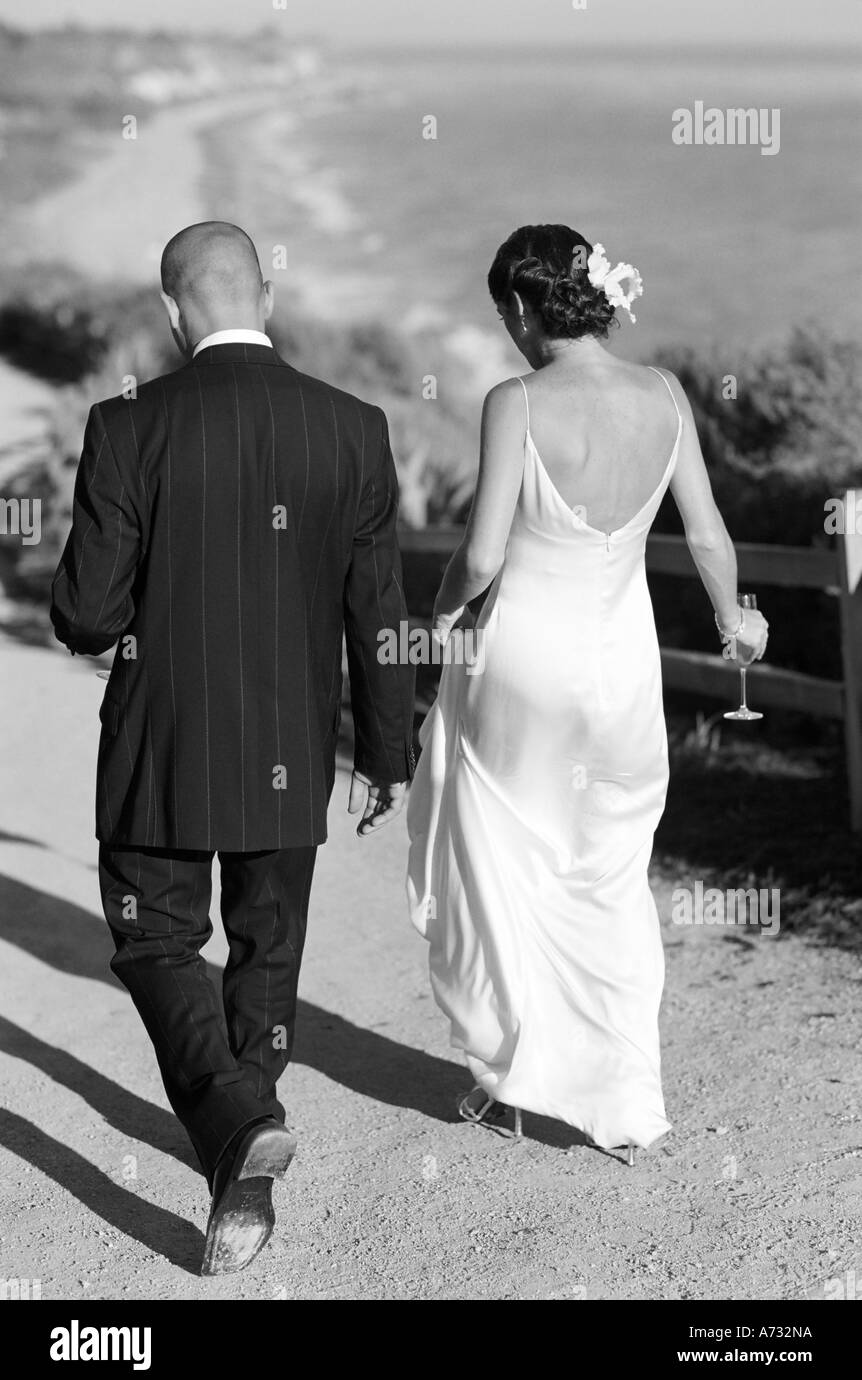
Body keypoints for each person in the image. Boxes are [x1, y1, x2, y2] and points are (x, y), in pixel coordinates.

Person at [51, 221, 414, 1275]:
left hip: (161, 743)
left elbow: (85, 609)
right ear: (265, 293)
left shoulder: (126, 425)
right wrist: (387, 753)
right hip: (291, 746)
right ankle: (245, 1130)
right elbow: (376, 613)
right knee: (267, 952)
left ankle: (236, 1131)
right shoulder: (354, 426)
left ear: (173, 312)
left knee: (156, 943)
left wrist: (101, 617)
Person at [407, 223, 768, 1162]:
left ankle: (518, 1074)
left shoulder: (516, 401)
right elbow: (708, 537)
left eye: (505, 317)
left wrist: (440, 616)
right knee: (610, 873)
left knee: (505, 868)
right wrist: (737, 624)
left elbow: (483, 554)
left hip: (523, 668)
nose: (508, 336)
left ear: (526, 309)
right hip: (621, 669)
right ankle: (627, 1099)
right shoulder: (666, 395)